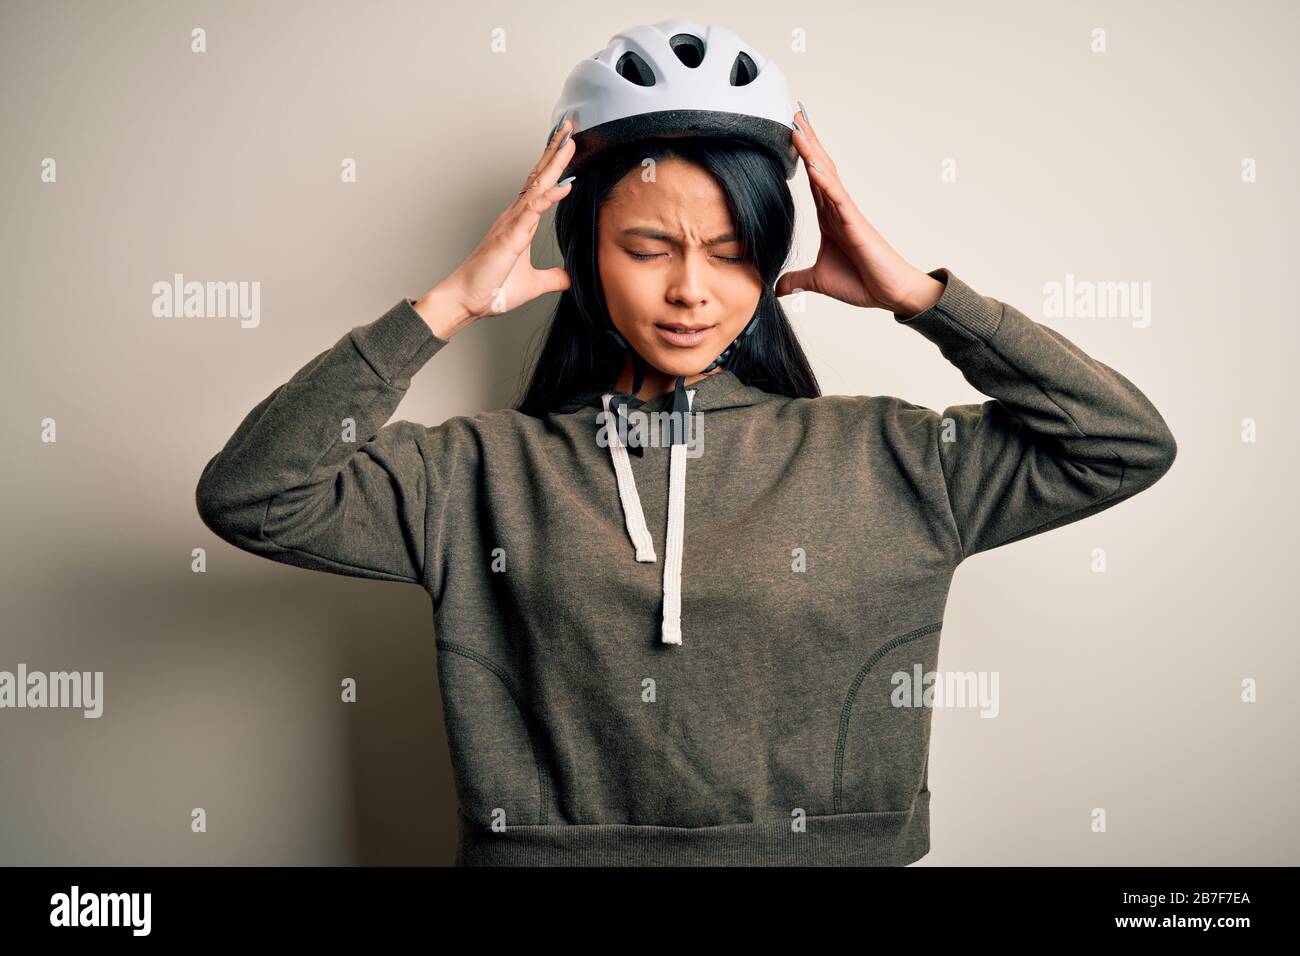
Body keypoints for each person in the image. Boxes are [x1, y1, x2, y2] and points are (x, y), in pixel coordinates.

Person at [195, 19, 1177, 866]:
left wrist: (919, 296)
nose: (691, 291)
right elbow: (255, 494)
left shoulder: (890, 456)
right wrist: (443, 307)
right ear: (581, 250)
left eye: (730, 250)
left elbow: (1121, 442)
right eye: (647, 247)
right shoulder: (479, 474)